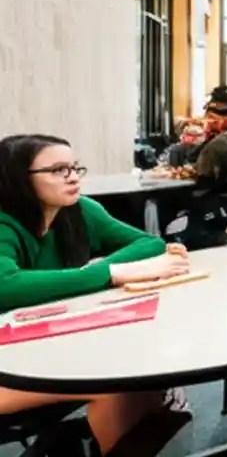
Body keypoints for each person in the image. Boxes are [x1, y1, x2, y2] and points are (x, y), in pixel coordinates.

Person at [0, 134, 192, 454]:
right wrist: (108, 273)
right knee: (118, 385)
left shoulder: (79, 211)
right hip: (8, 367)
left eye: (75, 167)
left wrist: (99, 270)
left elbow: (151, 244)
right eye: (58, 170)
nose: (73, 177)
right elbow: (6, 287)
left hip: (50, 348)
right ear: (19, 179)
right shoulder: (4, 223)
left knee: (140, 377)